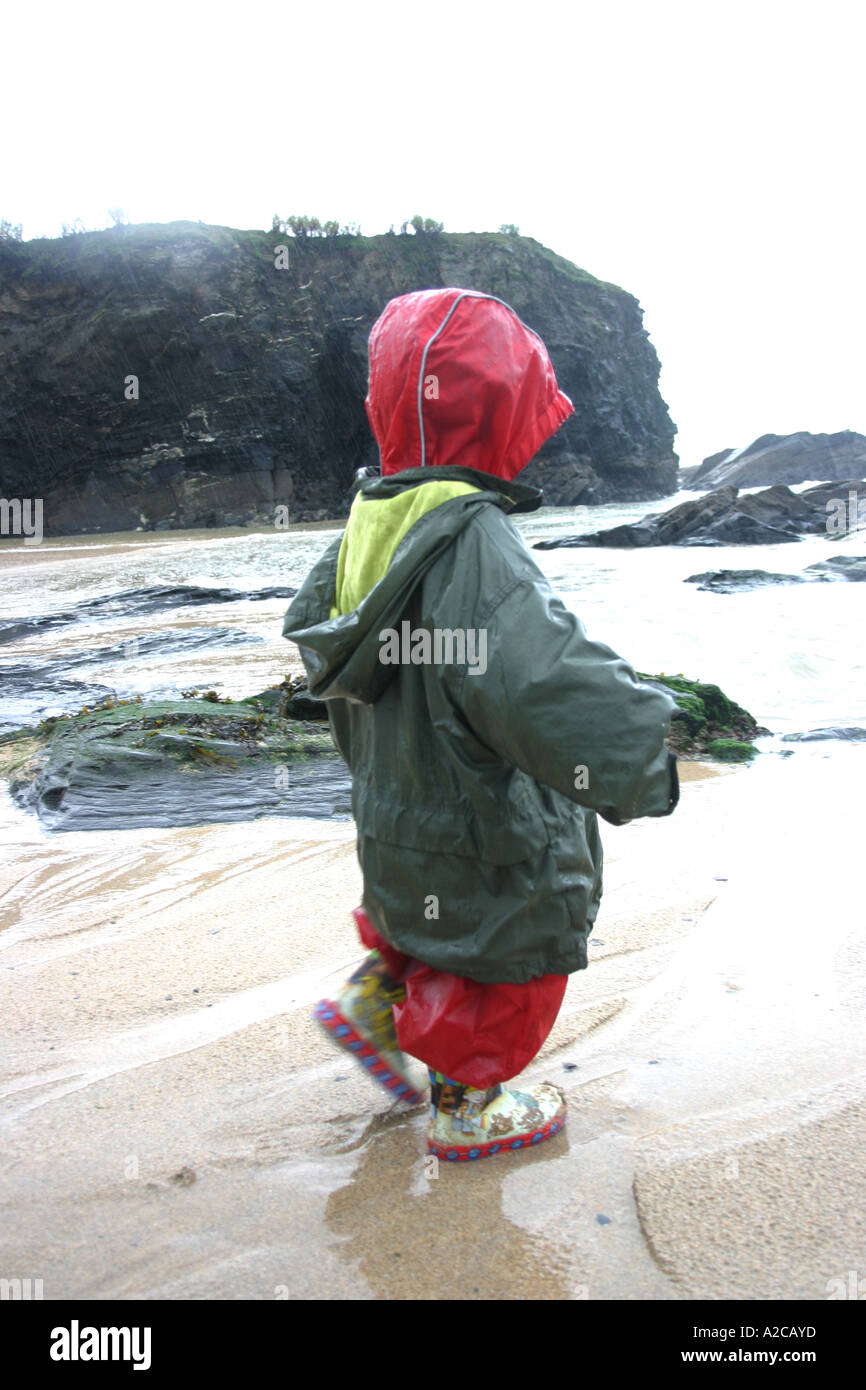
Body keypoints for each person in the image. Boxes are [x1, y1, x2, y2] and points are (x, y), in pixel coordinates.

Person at [282, 287, 680, 1163]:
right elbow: (542, 678)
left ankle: (371, 1009)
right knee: (500, 948)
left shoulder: (368, 523)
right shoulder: (471, 540)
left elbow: (346, 665)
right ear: (499, 413)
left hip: (396, 810)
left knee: (418, 925)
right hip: (476, 814)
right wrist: (643, 747)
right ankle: (468, 1106)